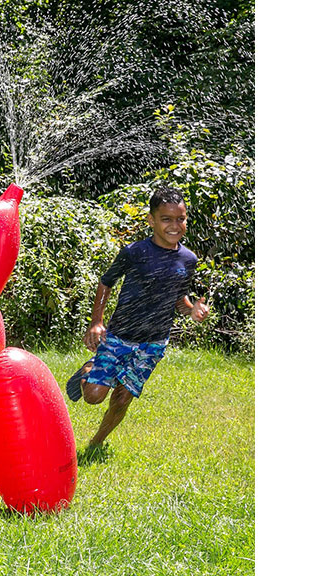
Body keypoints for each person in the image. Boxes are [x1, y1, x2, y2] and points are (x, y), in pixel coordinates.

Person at [66, 186, 210, 457]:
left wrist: (192, 310)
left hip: (153, 343)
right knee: (94, 396)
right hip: (119, 336)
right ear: (151, 220)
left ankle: (96, 443)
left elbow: (179, 297)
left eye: (181, 219)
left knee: (122, 398)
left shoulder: (188, 259)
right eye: (166, 219)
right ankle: (89, 370)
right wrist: (97, 322)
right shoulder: (135, 252)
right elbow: (106, 282)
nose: (175, 225)